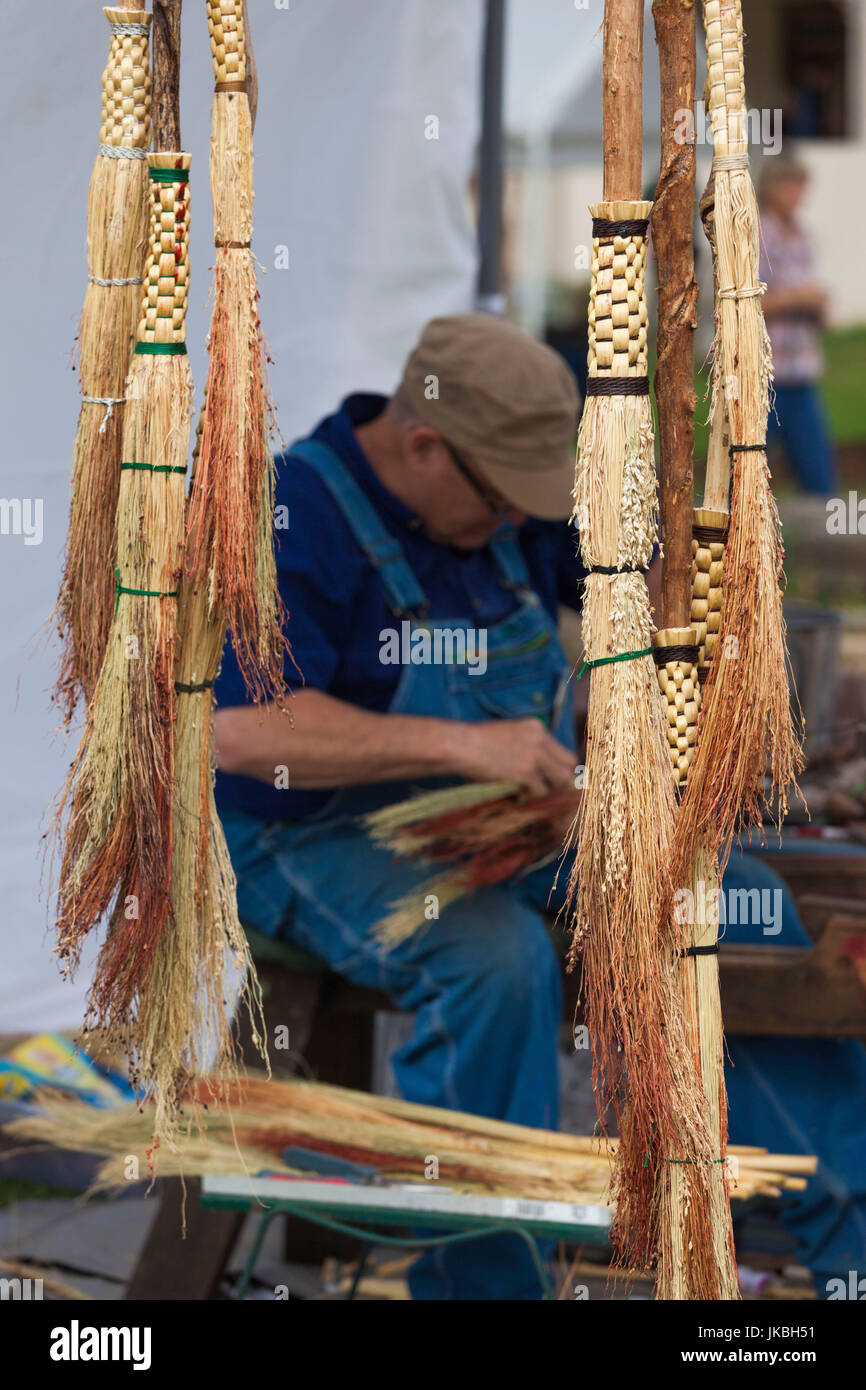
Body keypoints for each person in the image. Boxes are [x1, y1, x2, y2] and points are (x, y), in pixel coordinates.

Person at [214, 313, 864, 1299]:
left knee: (734, 902)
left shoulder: (493, 499)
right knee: (494, 960)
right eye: (502, 500)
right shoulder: (286, 517)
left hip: (504, 812)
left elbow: (626, 584)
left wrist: (660, 611)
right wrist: (458, 741)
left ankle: (839, 1236)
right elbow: (243, 732)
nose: (521, 520)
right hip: (307, 833)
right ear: (424, 443)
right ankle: (484, 1284)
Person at [758, 154, 837, 495]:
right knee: (747, 472)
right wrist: (798, 299)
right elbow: (745, 303)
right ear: (772, 188)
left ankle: (828, 542)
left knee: (819, 476)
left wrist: (817, 307)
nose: (797, 194)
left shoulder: (801, 234)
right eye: (789, 186)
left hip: (801, 370)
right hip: (765, 375)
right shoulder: (758, 234)